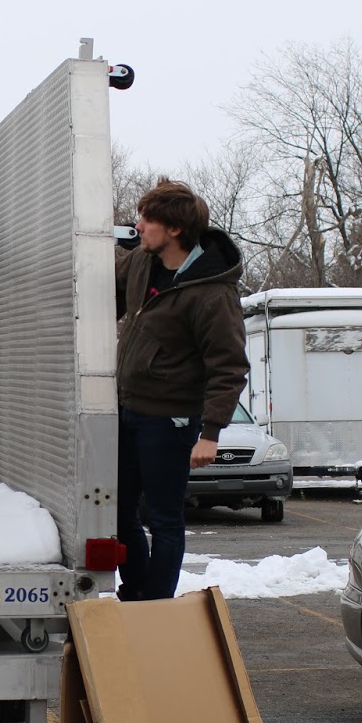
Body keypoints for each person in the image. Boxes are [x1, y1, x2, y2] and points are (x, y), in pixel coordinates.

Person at [114, 178, 249, 600]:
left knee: (164, 518)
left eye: (147, 219)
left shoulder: (212, 293)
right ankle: (138, 593)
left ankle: (154, 607)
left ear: (173, 229)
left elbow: (229, 366)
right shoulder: (141, 263)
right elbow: (101, 266)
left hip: (170, 420)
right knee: (117, 512)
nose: (139, 225)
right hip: (126, 410)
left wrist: (210, 434)